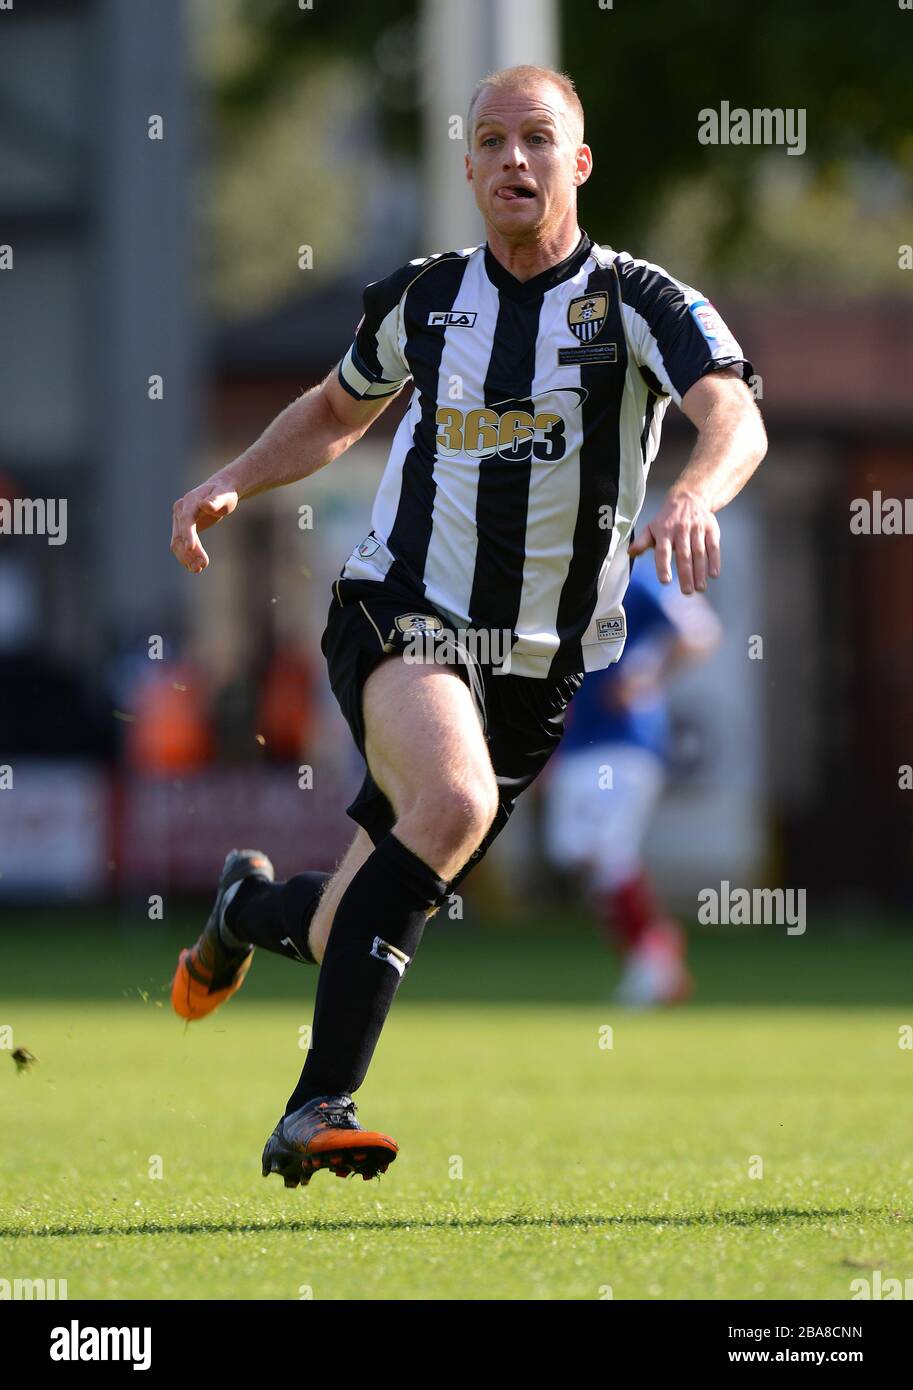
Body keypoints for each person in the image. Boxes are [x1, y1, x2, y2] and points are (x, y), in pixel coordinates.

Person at [169, 64, 767, 1189]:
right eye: (489, 141)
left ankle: (245, 906)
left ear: (577, 163)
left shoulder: (642, 304)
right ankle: (314, 1109)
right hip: (400, 607)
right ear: (466, 165)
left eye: (537, 140)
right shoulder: (428, 298)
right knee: (453, 801)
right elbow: (341, 408)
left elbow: (731, 409)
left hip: (540, 671)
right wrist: (235, 480)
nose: (513, 162)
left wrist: (695, 491)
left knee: (345, 916)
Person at [544, 561, 722, 1006]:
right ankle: (656, 942)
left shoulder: (639, 578)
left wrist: (648, 677)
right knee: (573, 850)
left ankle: (651, 966)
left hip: (626, 741)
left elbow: (700, 633)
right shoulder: (564, 589)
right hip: (579, 745)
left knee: (609, 851)